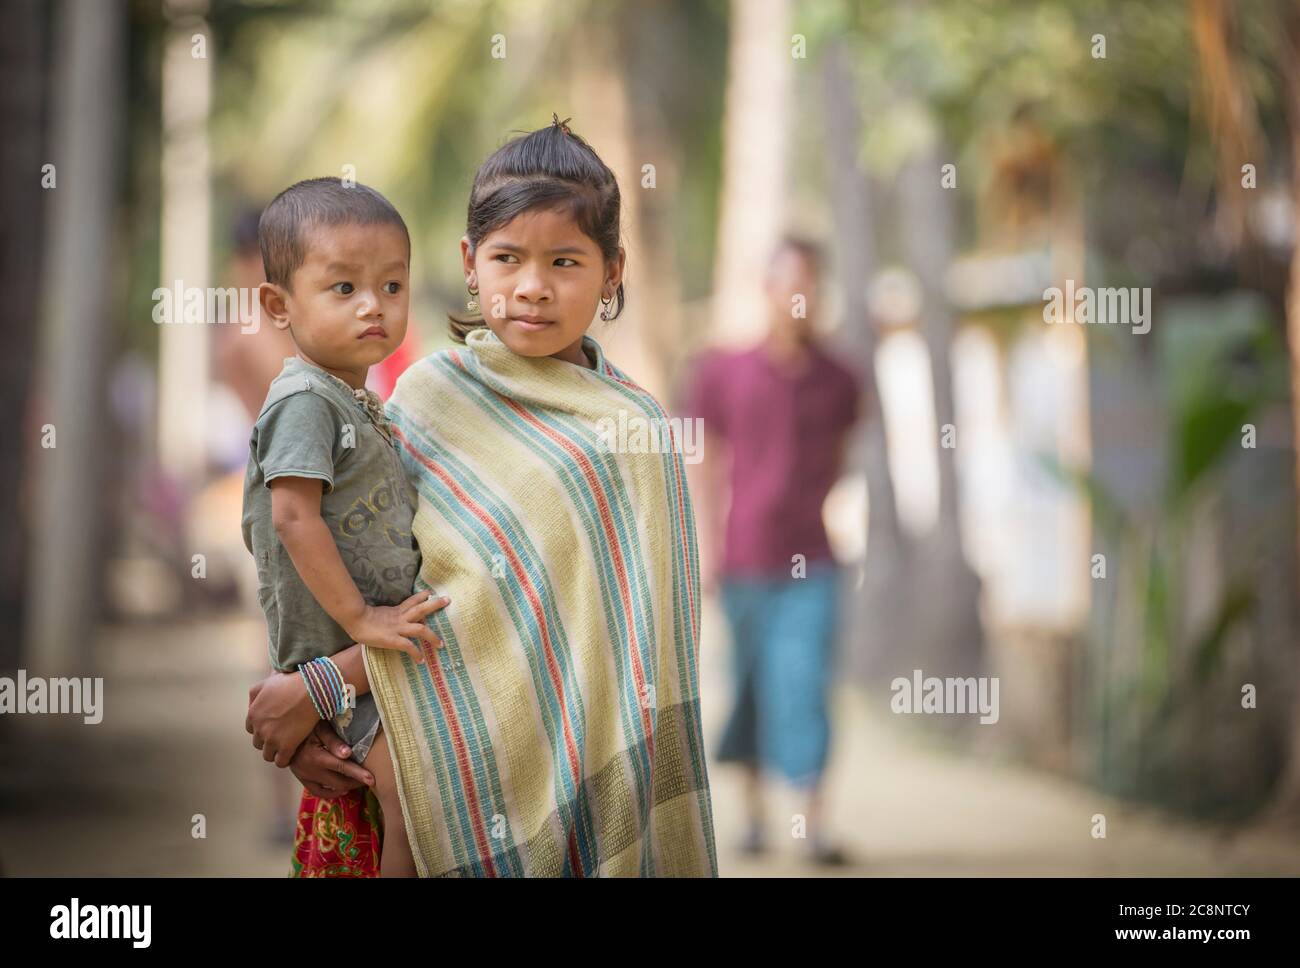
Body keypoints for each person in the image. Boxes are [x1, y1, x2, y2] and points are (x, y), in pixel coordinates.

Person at [245, 115, 718, 877]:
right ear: (470, 262)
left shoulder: (629, 438)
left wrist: (323, 685)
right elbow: (362, 559)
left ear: (614, 269)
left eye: (565, 260)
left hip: (557, 776)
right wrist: (320, 713)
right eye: (507, 258)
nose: (532, 286)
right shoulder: (427, 397)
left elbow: (489, 611)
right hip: (395, 747)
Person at [241, 177, 449, 876]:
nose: (374, 307)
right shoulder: (304, 400)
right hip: (340, 647)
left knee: (410, 800)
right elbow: (292, 516)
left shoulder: (355, 399)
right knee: (407, 800)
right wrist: (362, 618)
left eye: (392, 287)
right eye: (344, 289)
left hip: (361, 651)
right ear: (279, 304)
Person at [686, 236, 860, 865]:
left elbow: (840, 460)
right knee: (751, 685)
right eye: (788, 283)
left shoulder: (841, 378)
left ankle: (813, 826)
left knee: (807, 680)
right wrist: (707, 549)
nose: (799, 297)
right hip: (743, 559)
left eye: (810, 284)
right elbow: (707, 465)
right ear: (767, 290)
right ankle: (755, 819)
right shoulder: (723, 370)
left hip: (813, 559)